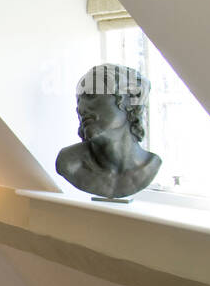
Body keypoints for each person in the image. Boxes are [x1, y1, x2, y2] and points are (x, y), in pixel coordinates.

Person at [55, 64, 162, 199]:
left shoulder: (151, 166)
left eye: (90, 95)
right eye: (79, 100)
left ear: (128, 100)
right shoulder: (69, 163)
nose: (81, 108)